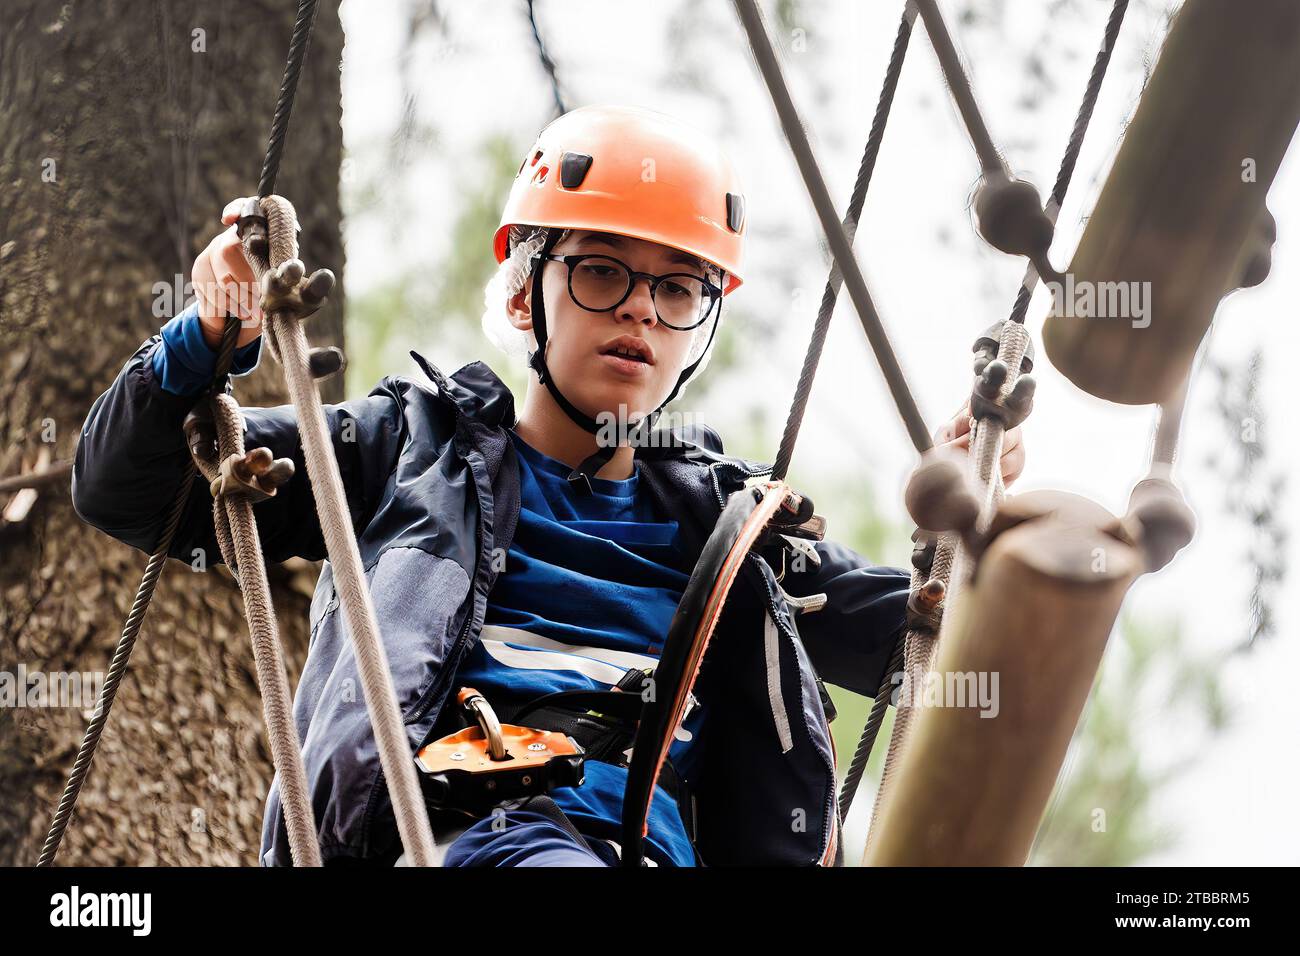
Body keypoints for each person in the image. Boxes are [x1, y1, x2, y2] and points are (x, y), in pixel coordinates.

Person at [72, 104, 1024, 866]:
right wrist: (200, 340)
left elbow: (936, 651)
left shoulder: (739, 534)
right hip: (455, 834)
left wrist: (983, 521)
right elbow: (129, 489)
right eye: (603, 272)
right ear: (526, 291)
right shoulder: (405, 447)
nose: (641, 314)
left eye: (678, 289)